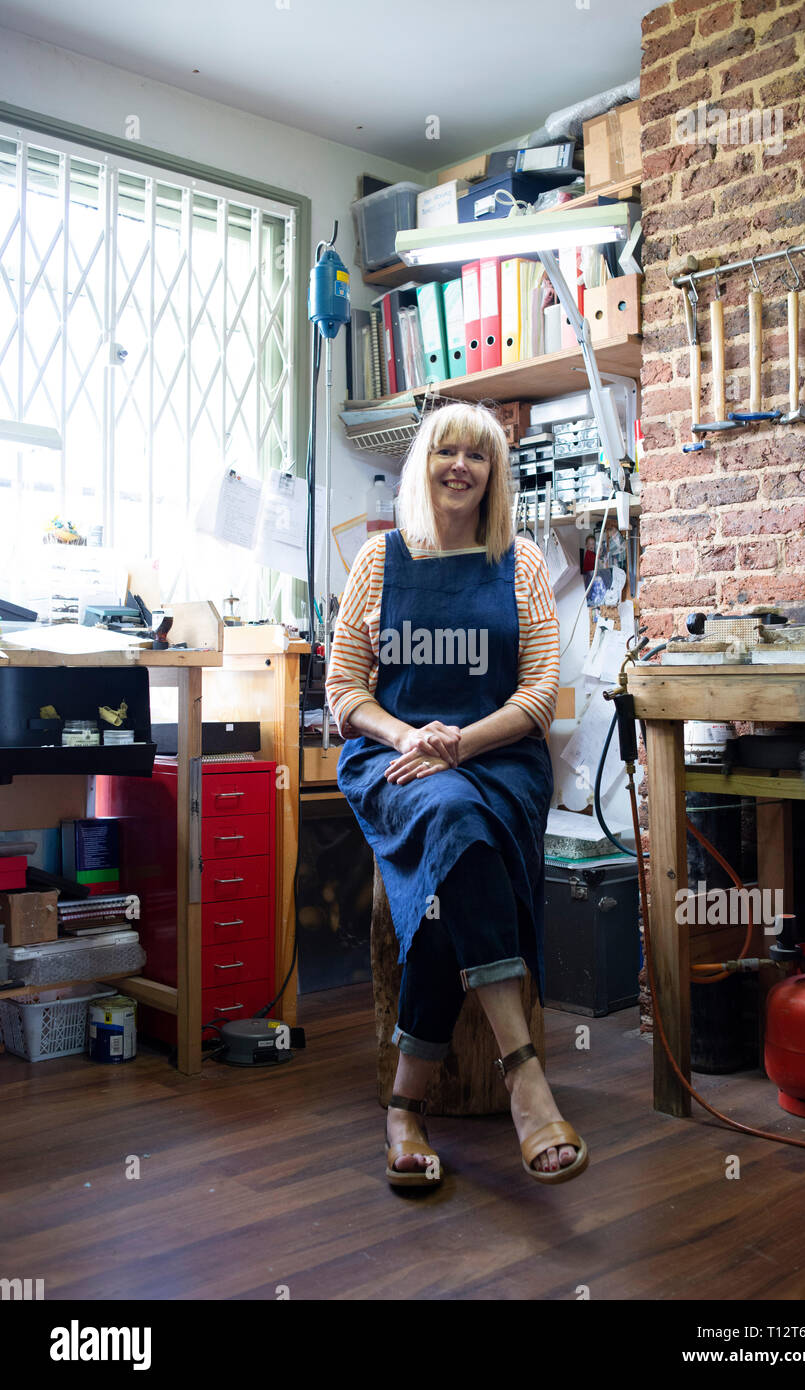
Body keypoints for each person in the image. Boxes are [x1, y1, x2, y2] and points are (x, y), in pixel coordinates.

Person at [325, 401, 588, 1188]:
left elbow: (541, 692)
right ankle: (525, 1078)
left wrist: (461, 742)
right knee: (451, 817)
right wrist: (410, 738)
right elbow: (342, 691)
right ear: (424, 462)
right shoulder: (378, 563)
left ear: (494, 473)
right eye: (448, 450)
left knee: (455, 843)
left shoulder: (522, 562)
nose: (461, 466)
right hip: (395, 761)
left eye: (480, 455)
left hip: (498, 758)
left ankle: (405, 1109)